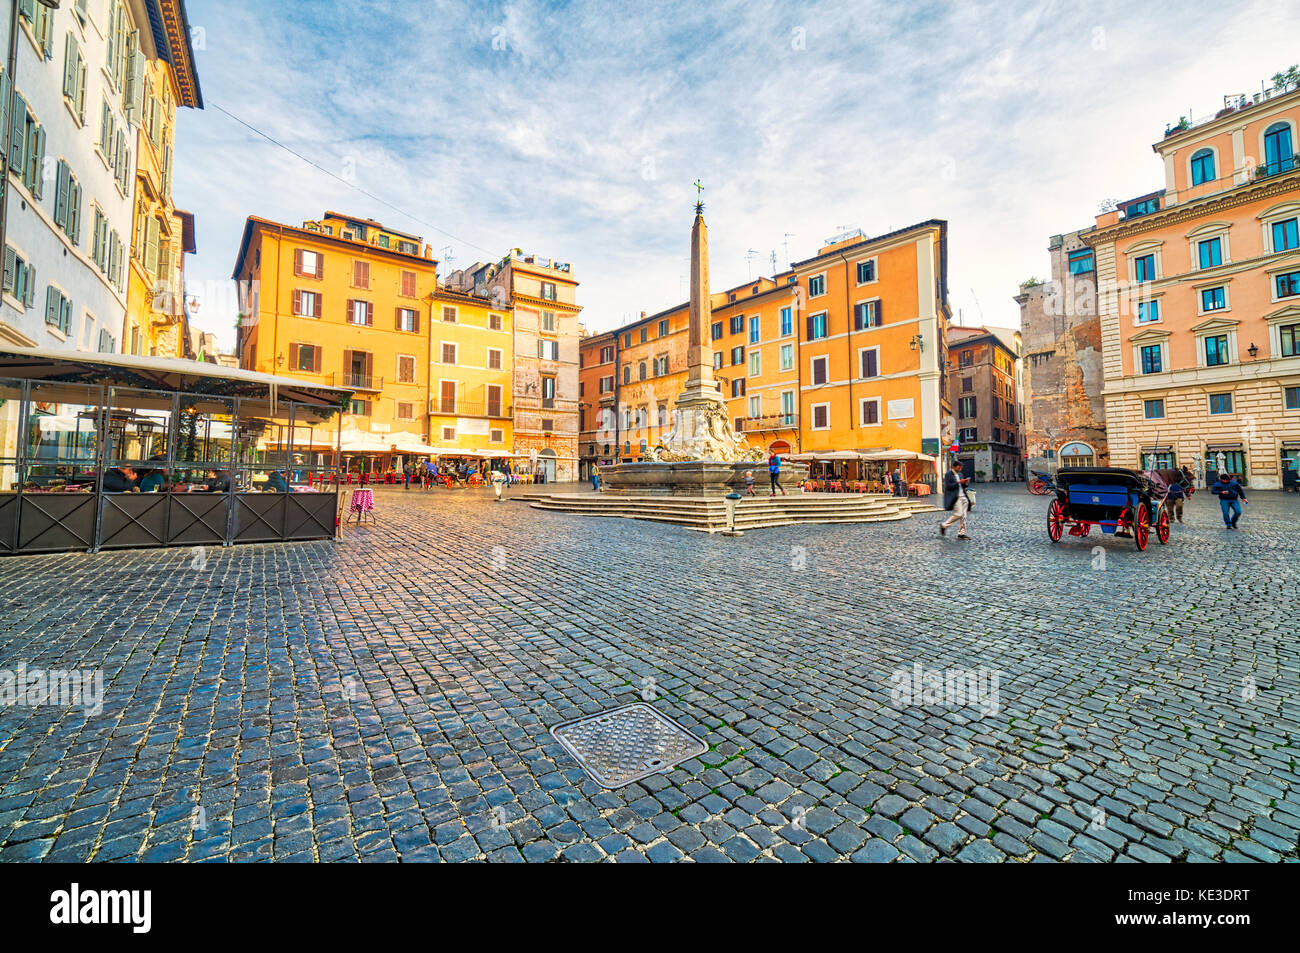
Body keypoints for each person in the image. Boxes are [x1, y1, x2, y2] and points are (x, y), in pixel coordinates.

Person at [938, 460, 972, 540]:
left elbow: (963, 487)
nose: (960, 469)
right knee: (958, 514)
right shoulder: (948, 474)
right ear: (954, 467)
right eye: (959, 467)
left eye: (961, 467)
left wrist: (965, 483)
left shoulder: (960, 474)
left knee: (964, 516)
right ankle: (944, 525)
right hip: (955, 497)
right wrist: (958, 482)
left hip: (963, 496)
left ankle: (962, 533)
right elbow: (948, 486)